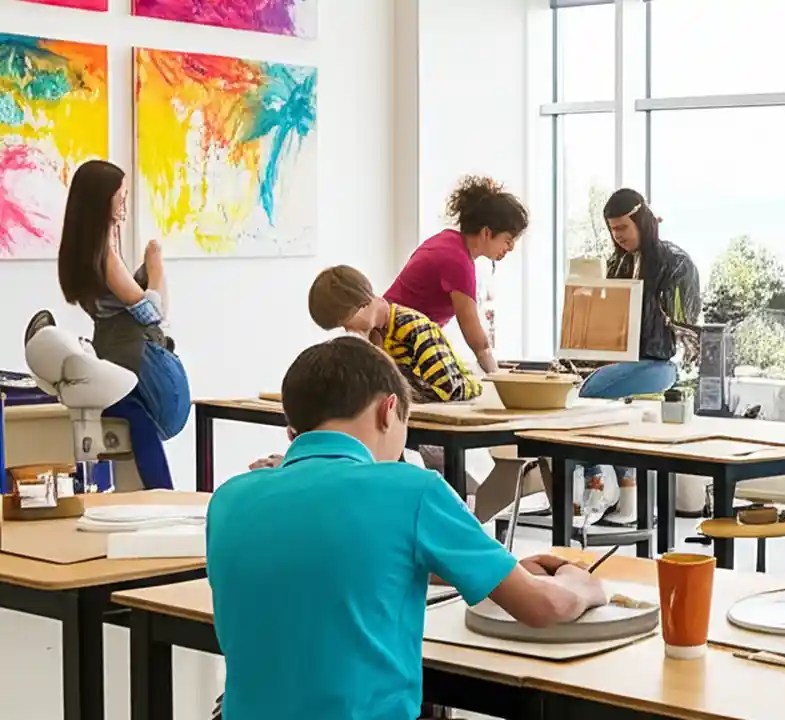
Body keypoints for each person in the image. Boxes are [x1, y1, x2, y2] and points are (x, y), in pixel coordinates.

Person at [206, 337, 608, 719]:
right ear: (389, 410)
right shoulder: (411, 490)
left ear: (292, 428)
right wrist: (582, 583)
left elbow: (342, 564)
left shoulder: (228, 499)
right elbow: (543, 608)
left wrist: (500, 569)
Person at [54, 159, 190, 490]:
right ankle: (162, 495)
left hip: (110, 353)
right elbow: (150, 313)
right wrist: (155, 267)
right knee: (141, 426)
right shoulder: (106, 256)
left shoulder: (83, 254)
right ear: (104, 201)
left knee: (137, 424)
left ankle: (157, 494)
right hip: (131, 360)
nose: (124, 204)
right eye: (121, 197)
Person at [577, 189, 702, 524]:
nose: (618, 237)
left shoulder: (675, 264)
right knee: (603, 406)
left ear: (641, 222)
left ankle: (597, 483)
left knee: (586, 397)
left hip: (659, 364)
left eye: (623, 228)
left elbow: (687, 327)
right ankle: (627, 500)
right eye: (613, 230)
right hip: (622, 360)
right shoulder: (618, 263)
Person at [385, 176, 528, 374]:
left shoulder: (449, 243)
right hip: (392, 344)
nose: (510, 248)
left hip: (395, 339)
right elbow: (477, 340)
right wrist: (498, 378)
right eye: (508, 239)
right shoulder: (457, 260)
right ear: (486, 233)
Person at [309, 264, 481, 403]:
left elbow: (450, 389)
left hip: (436, 433)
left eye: (348, 321)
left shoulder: (413, 328)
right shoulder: (374, 336)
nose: (348, 330)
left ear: (363, 303)